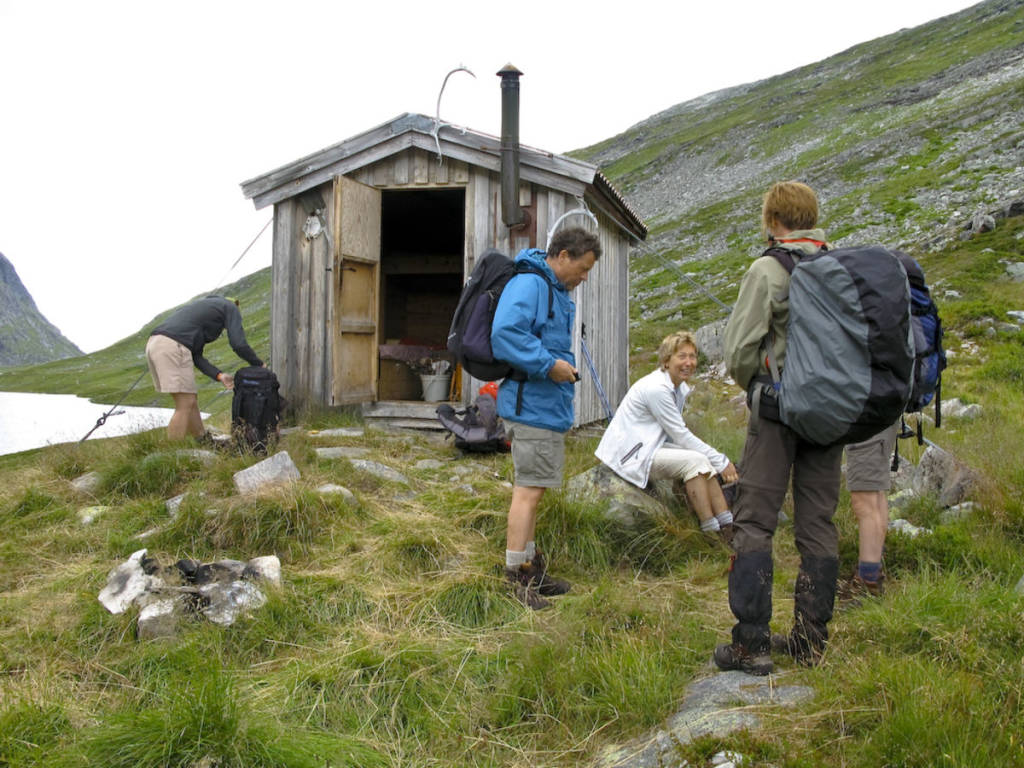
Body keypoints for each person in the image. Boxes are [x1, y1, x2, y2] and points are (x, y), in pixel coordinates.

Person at [713, 180, 843, 675]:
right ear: (812, 218)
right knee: (817, 523)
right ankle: (810, 642)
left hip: (778, 411)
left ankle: (752, 644)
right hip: (830, 415)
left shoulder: (768, 269)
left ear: (773, 220)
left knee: (754, 519)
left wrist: (758, 388)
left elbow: (739, 350)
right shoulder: (837, 266)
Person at [491, 226, 601, 609]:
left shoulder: (553, 289)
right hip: (530, 406)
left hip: (543, 406)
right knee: (528, 491)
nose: (584, 278)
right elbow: (505, 333)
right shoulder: (532, 284)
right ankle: (515, 579)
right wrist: (548, 365)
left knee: (534, 489)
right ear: (564, 256)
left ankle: (530, 570)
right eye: (583, 269)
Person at [595, 331, 739, 539]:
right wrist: (722, 461)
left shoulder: (675, 388)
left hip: (646, 447)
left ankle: (727, 524)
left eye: (692, 356)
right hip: (630, 455)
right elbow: (680, 435)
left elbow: (674, 436)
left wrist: (713, 460)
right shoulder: (658, 389)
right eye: (681, 356)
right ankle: (711, 532)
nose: (688, 362)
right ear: (666, 360)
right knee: (696, 463)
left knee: (703, 460)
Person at [145, 295, 264, 441]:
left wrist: (219, 376)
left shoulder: (202, 311)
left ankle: (202, 439)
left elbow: (197, 357)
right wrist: (259, 364)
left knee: (190, 399)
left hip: (155, 344)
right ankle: (171, 453)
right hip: (173, 346)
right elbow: (238, 344)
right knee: (185, 403)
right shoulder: (230, 307)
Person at [843, 423, 899, 597]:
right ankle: (871, 571)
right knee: (874, 494)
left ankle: (867, 585)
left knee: (864, 498)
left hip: (868, 416)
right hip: (878, 412)